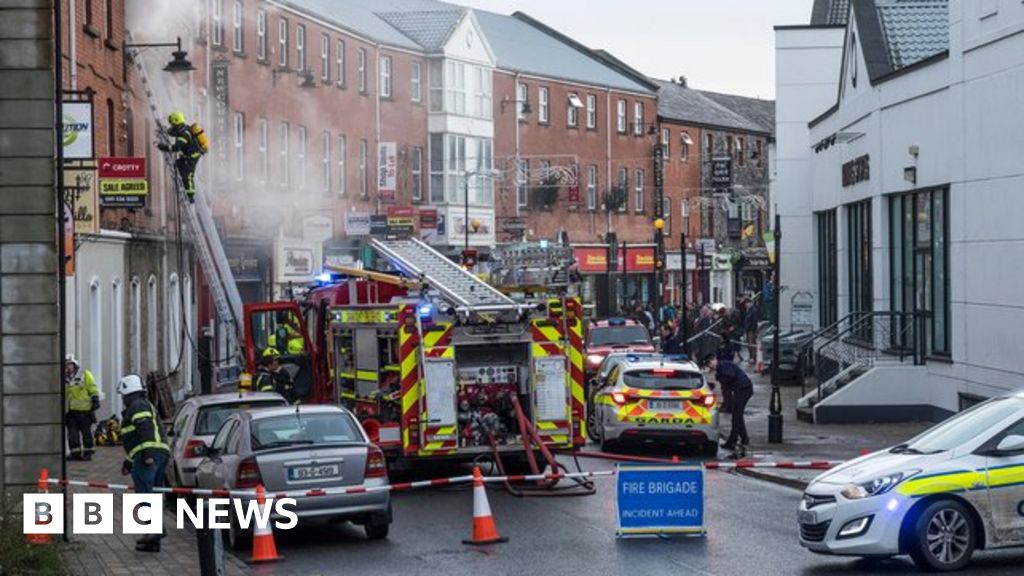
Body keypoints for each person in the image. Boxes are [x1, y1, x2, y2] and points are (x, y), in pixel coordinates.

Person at [117, 374, 170, 553]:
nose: (122, 400)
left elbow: (145, 429)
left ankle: (155, 531)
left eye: (123, 396)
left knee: (144, 494)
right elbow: (138, 438)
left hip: (149, 456)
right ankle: (152, 541)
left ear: (128, 393)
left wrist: (147, 455)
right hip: (156, 454)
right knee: (153, 494)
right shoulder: (143, 404)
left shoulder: (137, 406)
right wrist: (129, 461)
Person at [703, 354, 753, 451]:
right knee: (737, 415)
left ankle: (732, 441)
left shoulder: (723, 366)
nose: (710, 366)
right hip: (741, 389)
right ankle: (744, 438)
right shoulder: (722, 367)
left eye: (710, 363)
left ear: (714, 359)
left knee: (736, 417)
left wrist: (720, 378)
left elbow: (729, 376)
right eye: (708, 364)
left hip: (743, 389)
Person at [157, 111, 203, 203]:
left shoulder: (184, 134)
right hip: (187, 156)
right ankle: (184, 189)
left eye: (173, 124)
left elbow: (176, 148)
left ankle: (190, 197)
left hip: (191, 157)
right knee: (178, 164)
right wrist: (164, 129)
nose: (172, 126)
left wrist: (162, 147)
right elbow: (172, 132)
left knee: (188, 175)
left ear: (176, 123)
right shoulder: (183, 129)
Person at [64, 354, 99, 461]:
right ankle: (75, 453)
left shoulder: (84, 374)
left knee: (86, 433)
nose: (67, 367)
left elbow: (92, 387)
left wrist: (95, 398)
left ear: (74, 364)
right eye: (65, 365)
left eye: (69, 365)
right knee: (72, 434)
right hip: (70, 411)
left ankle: (88, 453)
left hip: (85, 411)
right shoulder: (63, 377)